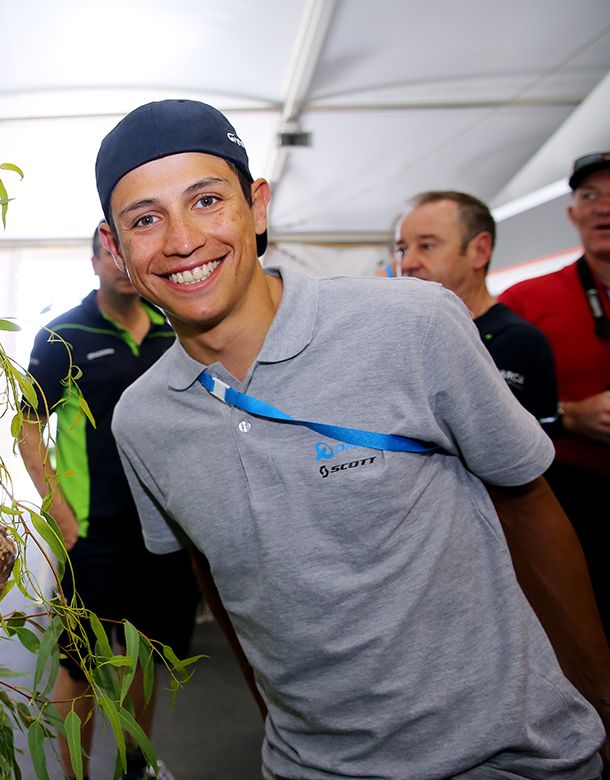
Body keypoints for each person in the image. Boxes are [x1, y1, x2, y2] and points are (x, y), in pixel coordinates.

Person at [96, 99, 610, 778]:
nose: (182, 239)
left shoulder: (412, 325)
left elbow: (527, 504)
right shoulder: (142, 420)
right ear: (118, 247)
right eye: (145, 220)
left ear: (258, 206)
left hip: (509, 757)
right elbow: (218, 575)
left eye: (207, 199)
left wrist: (601, 702)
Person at [18, 225, 197, 780]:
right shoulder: (62, 335)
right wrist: (58, 509)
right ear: (95, 261)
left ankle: (134, 766)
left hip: (164, 531)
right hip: (92, 534)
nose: (123, 262)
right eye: (110, 252)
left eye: (130, 249)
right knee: (83, 663)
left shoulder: (175, 328)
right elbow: (27, 425)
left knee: (148, 657)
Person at [501, 151, 610, 638]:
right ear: (573, 212)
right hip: (572, 497)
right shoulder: (526, 301)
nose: (603, 207)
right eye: (590, 195)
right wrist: (570, 414)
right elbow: (494, 411)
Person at [395, 190, 558, 420]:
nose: (408, 263)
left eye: (427, 246)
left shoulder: (518, 343)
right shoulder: (398, 339)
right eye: (402, 249)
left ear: (480, 251)